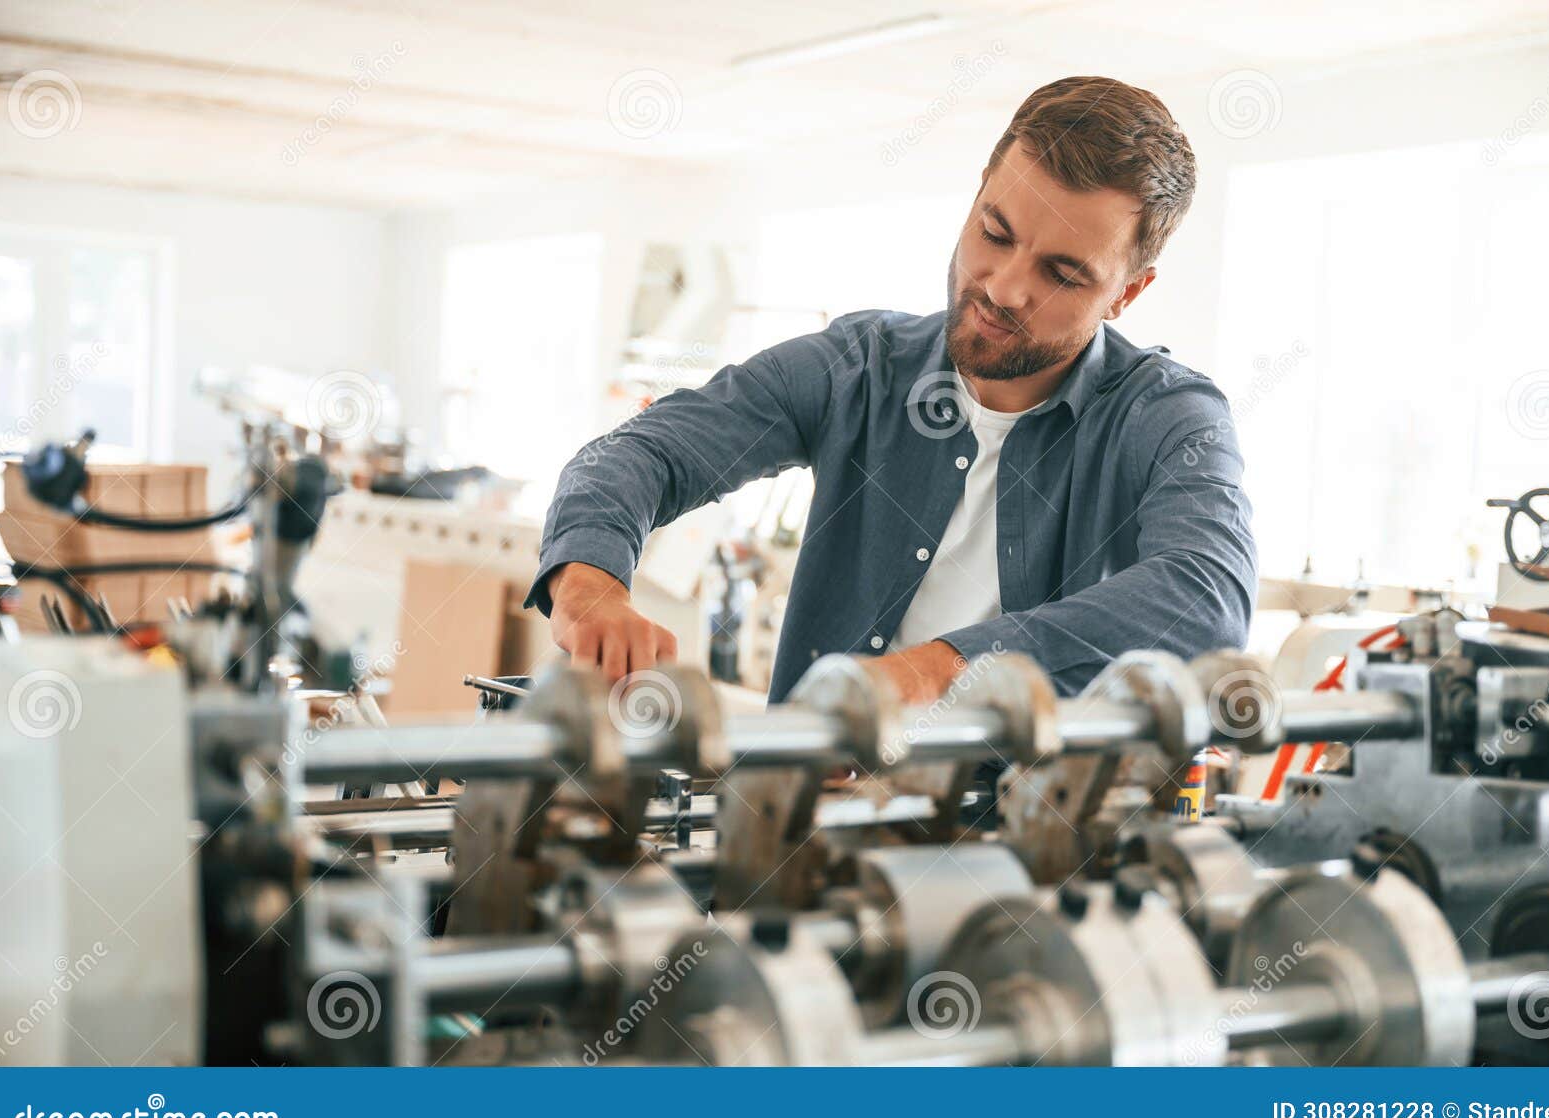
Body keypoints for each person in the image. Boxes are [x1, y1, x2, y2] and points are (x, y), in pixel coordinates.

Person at [527, 76, 1257, 705]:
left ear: (1127, 293)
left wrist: (937, 671)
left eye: (1061, 274)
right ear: (975, 199)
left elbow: (1205, 597)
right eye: (995, 232)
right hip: (808, 833)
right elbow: (642, 453)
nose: (1003, 289)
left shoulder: (1169, 419)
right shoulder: (858, 369)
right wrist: (590, 585)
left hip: (1039, 850)